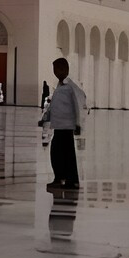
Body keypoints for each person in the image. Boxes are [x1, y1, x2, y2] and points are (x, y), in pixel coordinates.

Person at [40, 58, 88, 190]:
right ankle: (61, 177)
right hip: (59, 125)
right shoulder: (60, 86)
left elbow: (80, 103)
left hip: (67, 126)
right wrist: (45, 117)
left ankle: (71, 180)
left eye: (57, 69)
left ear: (64, 69)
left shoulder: (71, 86)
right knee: (57, 153)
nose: (55, 72)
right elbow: (54, 105)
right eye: (54, 70)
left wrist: (78, 123)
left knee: (66, 154)